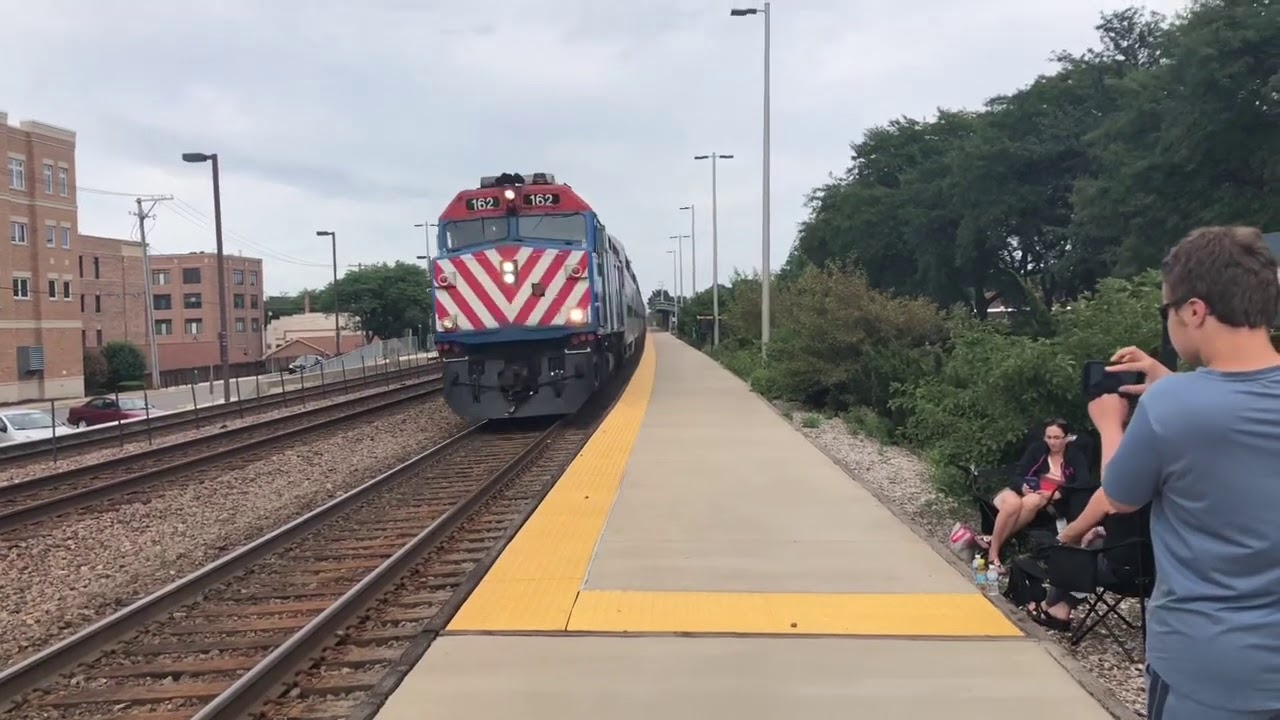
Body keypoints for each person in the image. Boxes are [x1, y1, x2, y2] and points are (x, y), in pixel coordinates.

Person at [1057, 226, 1280, 720]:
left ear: (1195, 310)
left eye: (1167, 311)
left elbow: (1119, 496)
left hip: (1206, 668)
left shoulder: (1170, 405)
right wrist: (1172, 383)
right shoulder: (1176, 397)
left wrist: (1109, 425)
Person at [984, 419, 1092, 570]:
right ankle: (994, 548)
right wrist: (1023, 486)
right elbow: (1018, 474)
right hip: (1020, 491)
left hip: (1046, 496)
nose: (1052, 442)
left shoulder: (1074, 456)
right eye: (1049, 437)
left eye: (1057, 438)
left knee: (1031, 502)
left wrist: (1059, 492)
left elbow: (1084, 482)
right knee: (1013, 504)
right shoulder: (1038, 450)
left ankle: (992, 550)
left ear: (1066, 438)